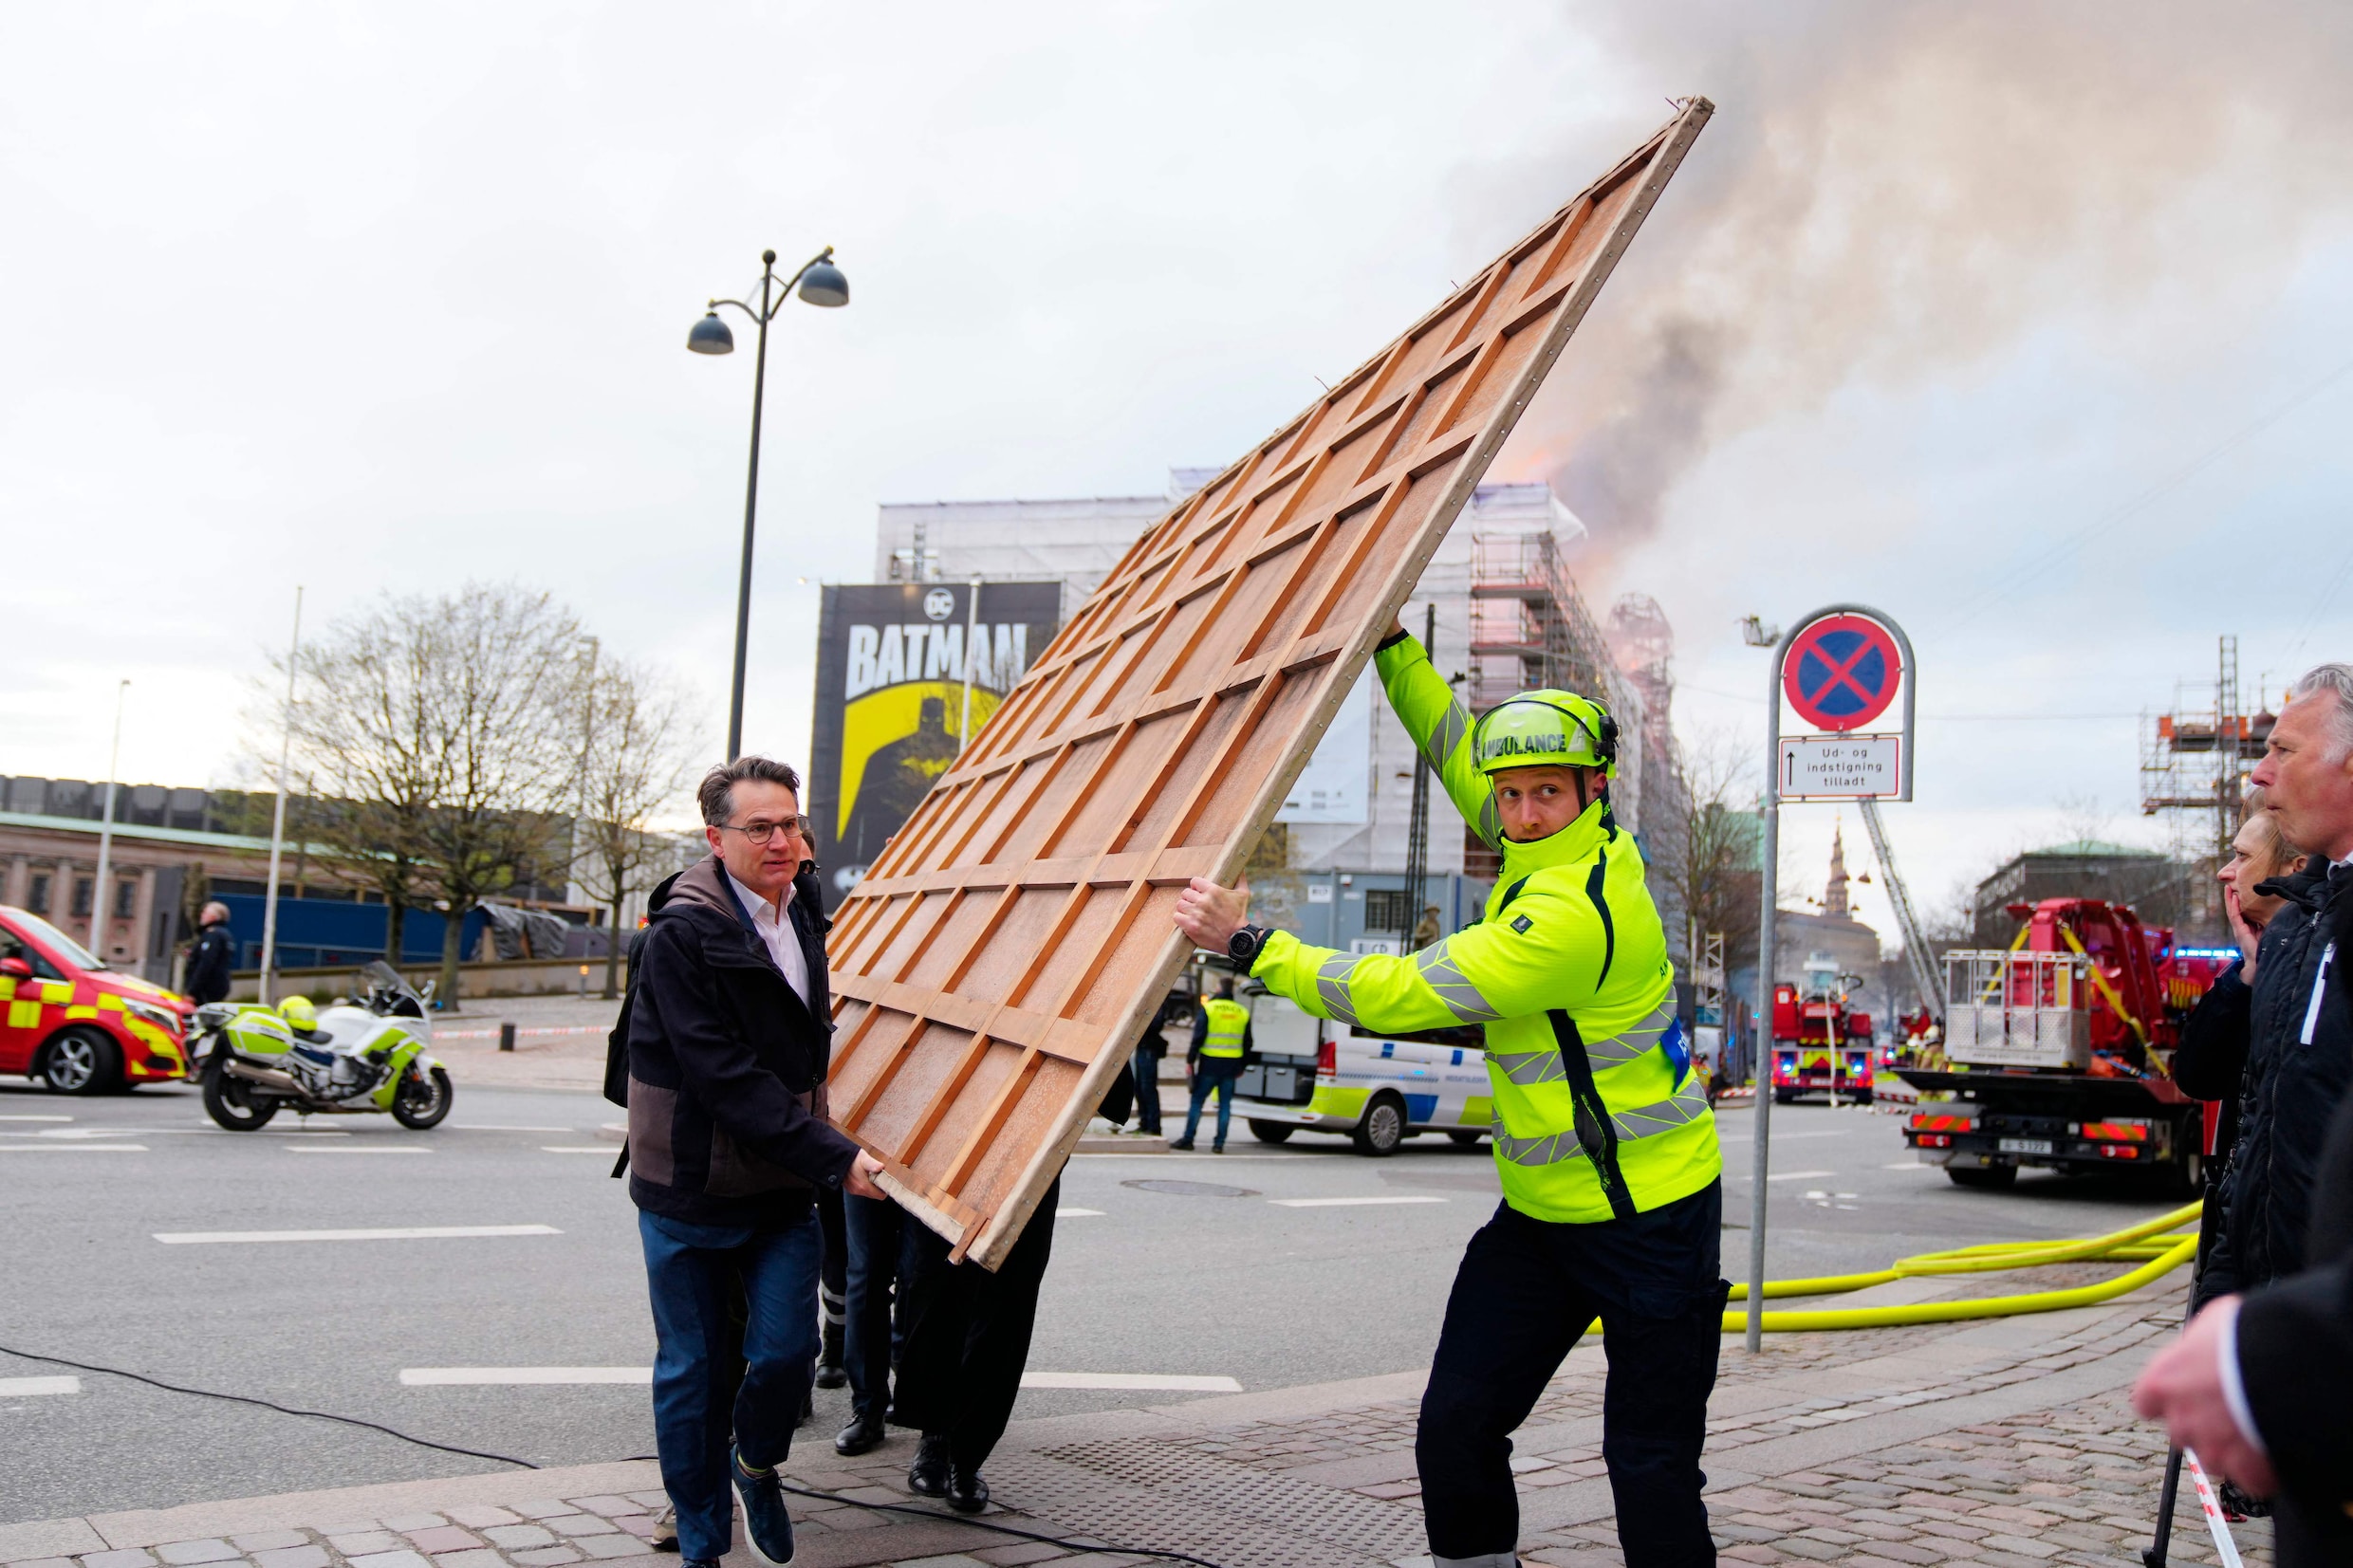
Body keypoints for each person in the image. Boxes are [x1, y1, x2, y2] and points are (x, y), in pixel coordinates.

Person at [1175, 623, 1724, 1568]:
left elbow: (1408, 991)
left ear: (1594, 790)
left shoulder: (1570, 913)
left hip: (1652, 1220)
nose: (1518, 813)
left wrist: (1251, 947)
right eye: (1509, 796)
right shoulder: (1538, 840)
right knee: (1455, 1427)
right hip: (1541, 1221)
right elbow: (1447, 740)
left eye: (1543, 793)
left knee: (1647, 1463)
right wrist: (1390, 642)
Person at [624, 756, 887, 1568]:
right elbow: (724, 1076)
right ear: (716, 837)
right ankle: (702, 1541)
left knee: (785, 1355)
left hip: (778, 1186)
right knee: (694, 1373)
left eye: (792, 823)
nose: (783, 841)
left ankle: (756, 1461)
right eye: (760, 827)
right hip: (690, 1189)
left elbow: (805, 1046)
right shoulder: (680, 935)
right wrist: (834, 1153)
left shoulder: (804, 905)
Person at [2133, 662, 2353, 1564]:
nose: (2258, 773)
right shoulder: (2306, 927)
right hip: (2307, 1341)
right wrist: (2227, 1310)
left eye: (2280, 749)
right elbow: (2256, 1131)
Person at [895, 1178, 1060, 1513]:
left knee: (1009, 1303)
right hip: (954, 1154)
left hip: (1037, 1160)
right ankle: (934, 1435)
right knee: (939, 1290)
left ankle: (969, 1455)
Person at [833, 1188, 920, 1456]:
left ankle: (921, 1399)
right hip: (868, 1153)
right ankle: (867, 1407)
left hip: (935, 1158)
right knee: (866, 1272)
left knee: (920, 1271)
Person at [1168, 978, 1251, 1153]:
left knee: (1197, 1101)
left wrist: (1190, 1060)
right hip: (1231, 1065)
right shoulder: (1242, 1011)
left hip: (1209, 1064)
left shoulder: (1209, 1009)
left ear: (1219, 989)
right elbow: (1248, 1042)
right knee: (1225, 1105)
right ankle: (1219, 1143)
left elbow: (1198, 1037)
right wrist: (1242, 1066)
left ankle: (1188, 1138)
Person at [184, 901, 234, 1005]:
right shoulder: (225, 935)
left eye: (205, 912)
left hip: (206, 989)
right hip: (218, 986)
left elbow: (206, 963)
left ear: (214, 917)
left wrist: (192, 991)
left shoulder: (213, 934)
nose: (202, 915)